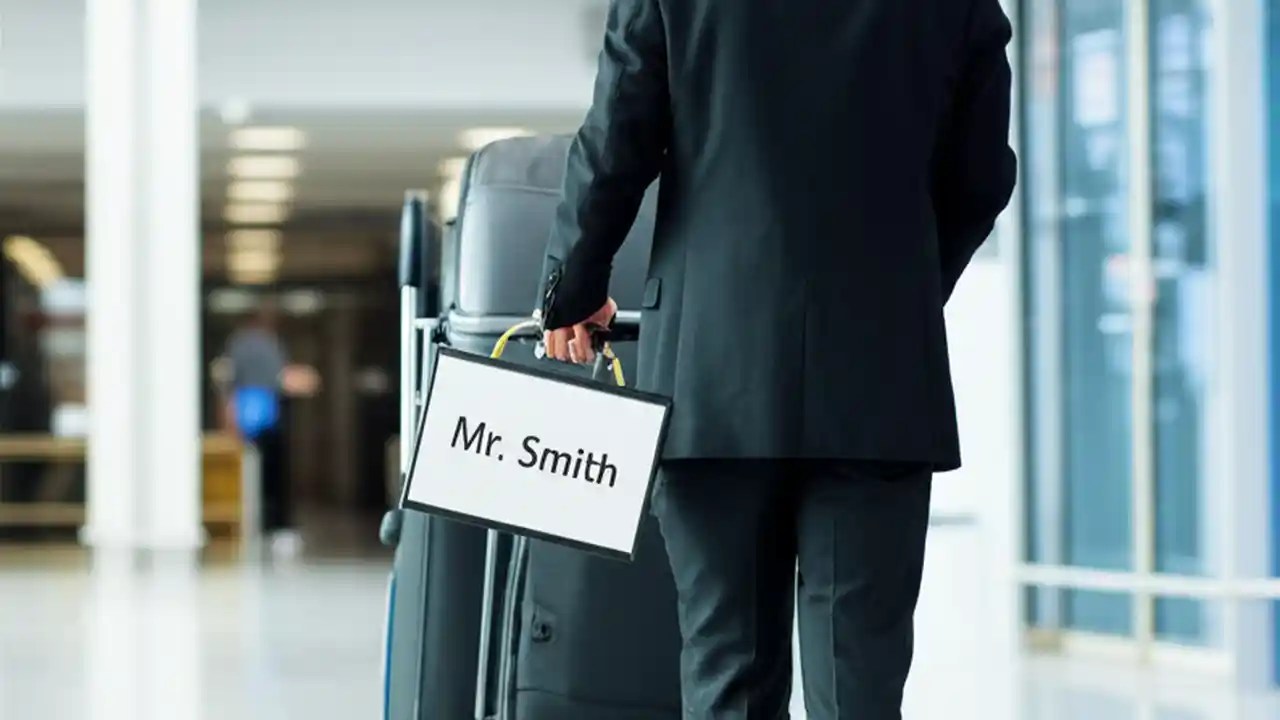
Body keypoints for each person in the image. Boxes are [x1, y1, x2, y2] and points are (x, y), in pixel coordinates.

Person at [541, 1, 1016, 718]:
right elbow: (980, 174)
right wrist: (903, 290)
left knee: (729, 667)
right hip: (878, 377)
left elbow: (618, 137)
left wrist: (571, 288)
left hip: (711, 369)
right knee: (856, 676)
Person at [223, 303, 302, 558]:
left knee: (249, 470)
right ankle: (276, 526)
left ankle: (253, 523)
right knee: (274, 472)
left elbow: (230, 383)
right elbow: (283, 379)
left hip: (248, 410)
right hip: (268, 410)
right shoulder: (270, 344)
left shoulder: (238, 344)